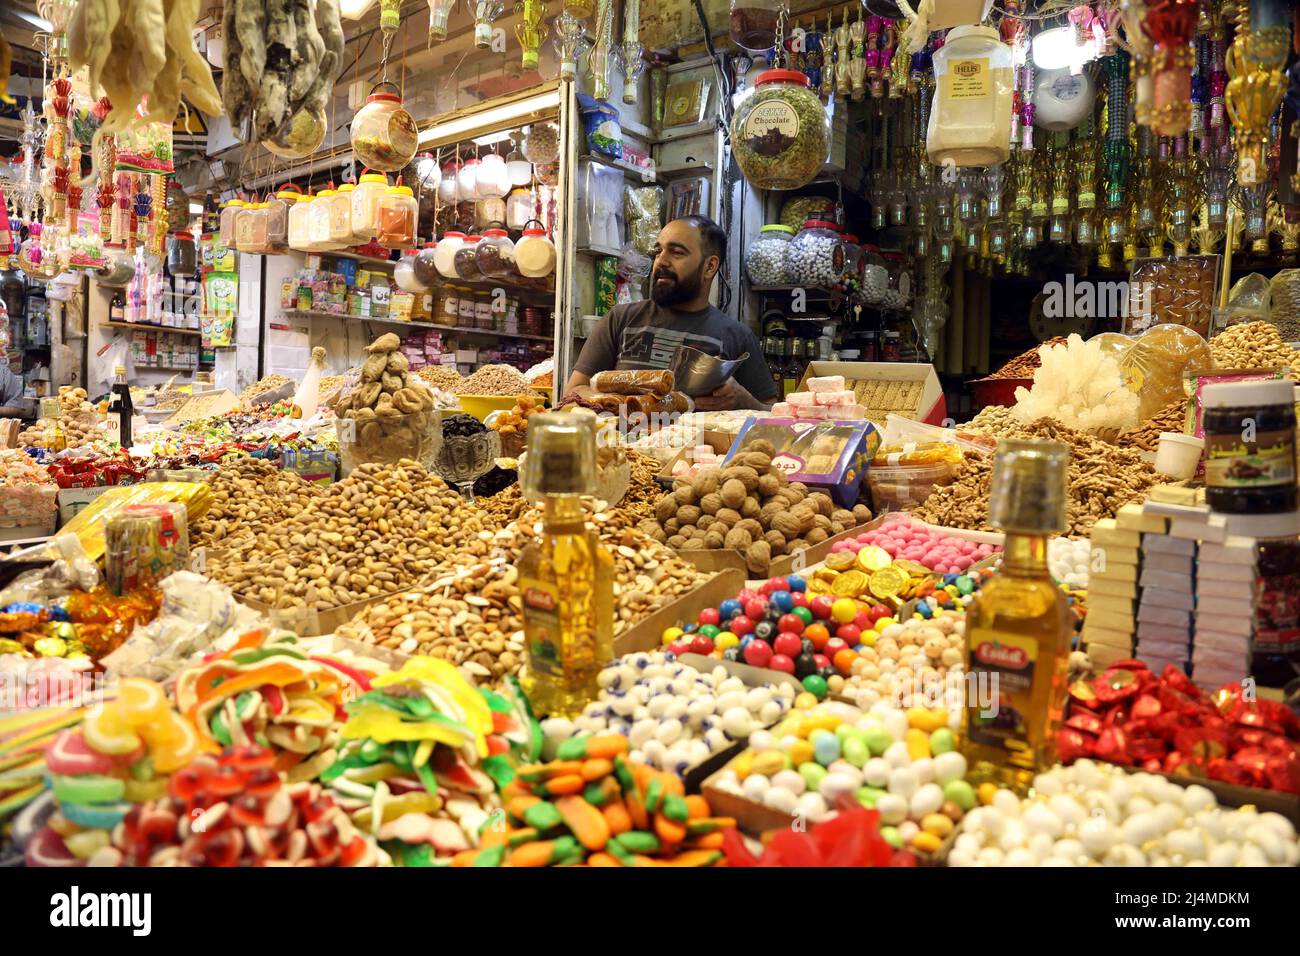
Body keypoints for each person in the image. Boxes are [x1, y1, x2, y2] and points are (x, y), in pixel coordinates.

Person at [565, 215, 778, 411]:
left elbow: (773, 414)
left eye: (676, 252)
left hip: (698, 450)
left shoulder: (738, 336)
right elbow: (574, 391)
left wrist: (743, 400)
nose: (661, 261)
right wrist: (627, 404)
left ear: (709, 267)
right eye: (658, 251)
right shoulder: (620, 319)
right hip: (620, 448)